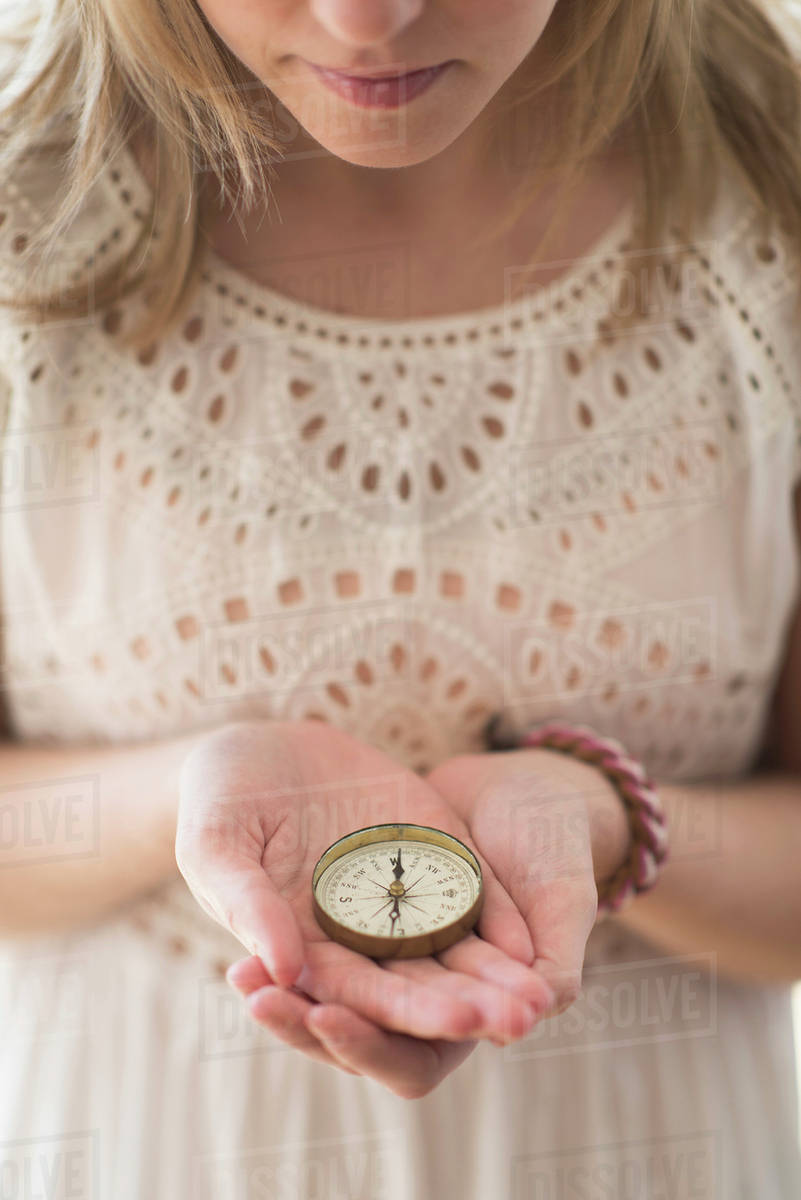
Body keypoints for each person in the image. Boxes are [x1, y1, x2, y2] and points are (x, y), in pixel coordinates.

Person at [0, 0, 800, 1196]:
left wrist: (616, 826)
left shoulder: (768, 203)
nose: (365, 18)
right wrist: (185, 795)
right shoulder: (24, 193)